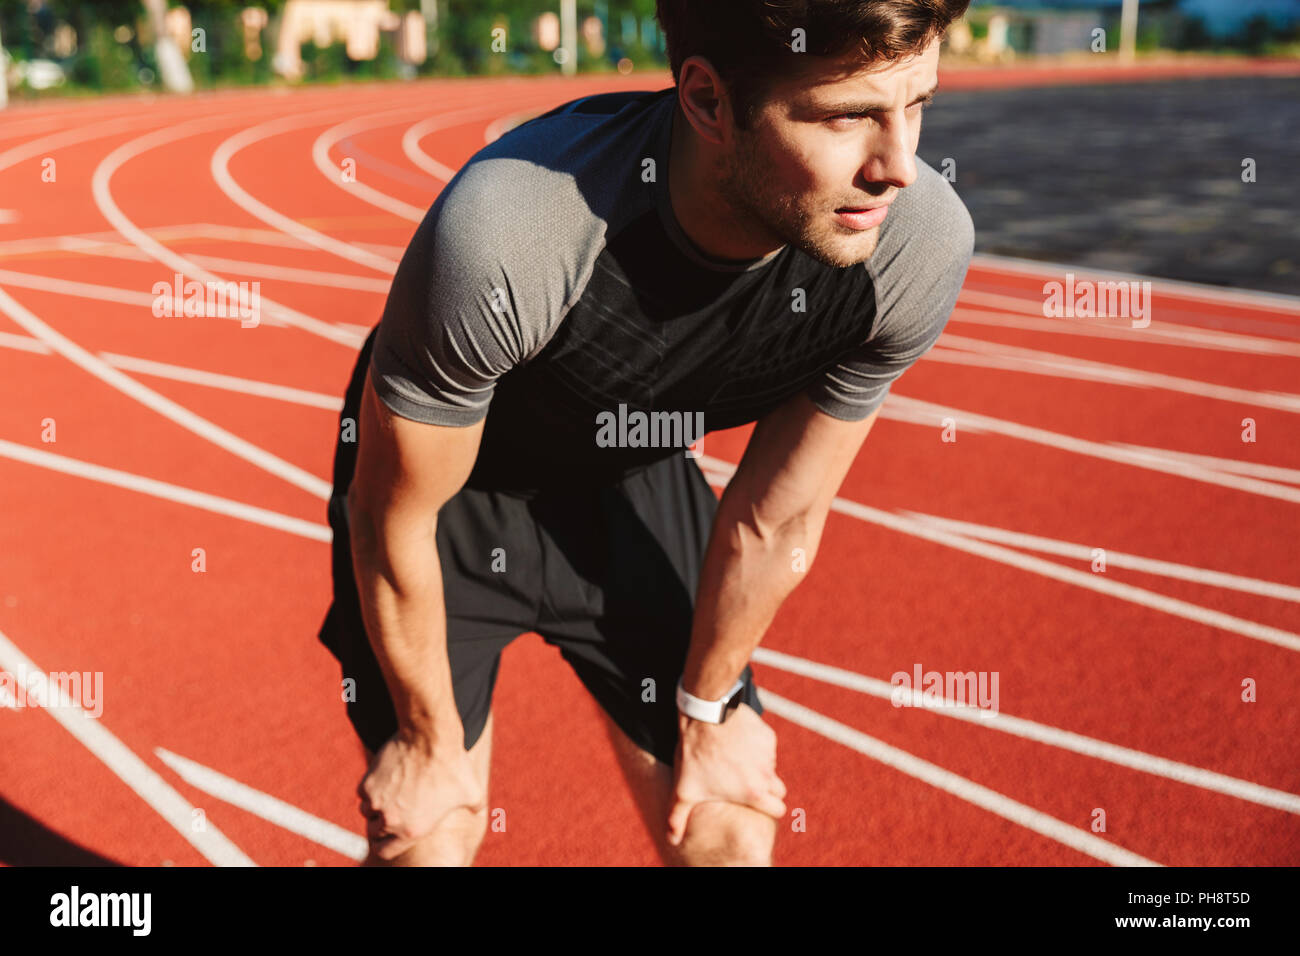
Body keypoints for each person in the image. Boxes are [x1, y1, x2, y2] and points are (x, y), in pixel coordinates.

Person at [318, 0, 974, 867]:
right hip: (451, 504)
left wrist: (706, 713)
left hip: (629, 474)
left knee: (728, 827)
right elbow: (390, 517)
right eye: (847, 115)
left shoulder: (913, 250)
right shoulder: (512, 233)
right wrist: (427, 740)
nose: (899, 166)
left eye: (917, 106)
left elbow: (777, 520)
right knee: (431, 835)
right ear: (706, 100)